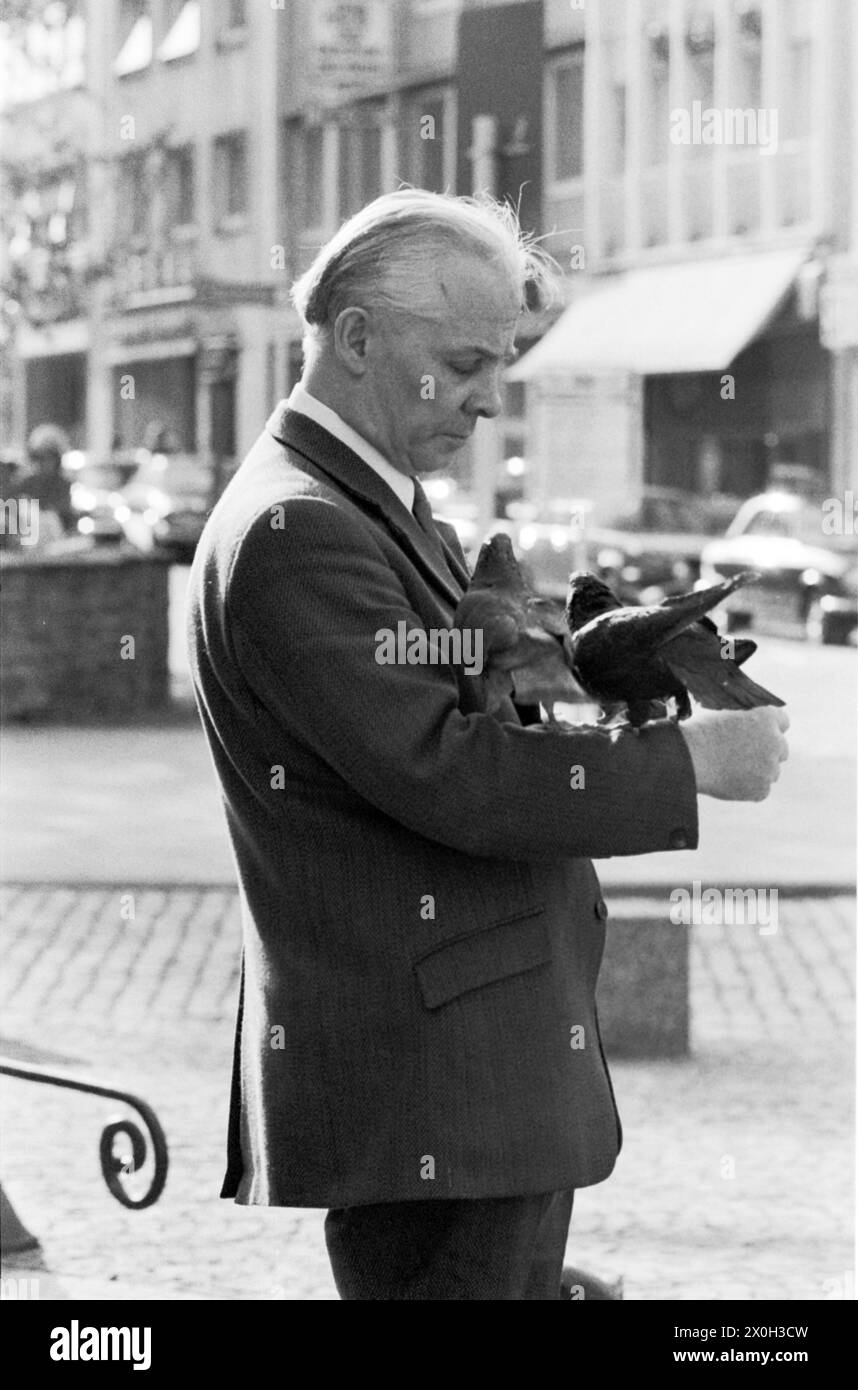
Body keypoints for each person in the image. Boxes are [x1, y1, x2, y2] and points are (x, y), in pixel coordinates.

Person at [186, 189, 789, 1301]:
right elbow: (448, 772)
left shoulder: (365, 504)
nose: (490, 400)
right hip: (435, 1082)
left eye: (502, 361)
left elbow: (469, 713)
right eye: (465, 363)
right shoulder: (301, 528)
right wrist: (690, 764)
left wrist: (602, 665)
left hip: (459, 1075)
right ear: (359, 337)